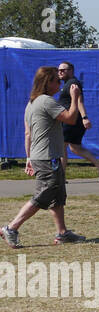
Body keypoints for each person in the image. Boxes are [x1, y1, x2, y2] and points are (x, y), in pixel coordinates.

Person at [2, 66, 88, 247]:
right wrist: (74, 98)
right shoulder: (47, 101)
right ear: (47, 83)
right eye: (56, 80)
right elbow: (71, 118)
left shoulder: (31, 103)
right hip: (48, 157)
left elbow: (28, 133)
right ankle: (11, 227)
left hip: (42, 155)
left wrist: (28, 157)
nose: (60, 83)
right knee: (44, 195)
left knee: (57, 195)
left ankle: (62, 233)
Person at [56, 61, 99, 182]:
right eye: (58, 70)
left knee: (62, 146)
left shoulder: (73, 83)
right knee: (75, 148)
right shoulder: (67, 84)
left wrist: (84, 117)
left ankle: (60, 177)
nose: (59, 72)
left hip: (71, 120)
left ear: (70, 71)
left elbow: (79, 101)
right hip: (72, 120)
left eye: (62, 70)